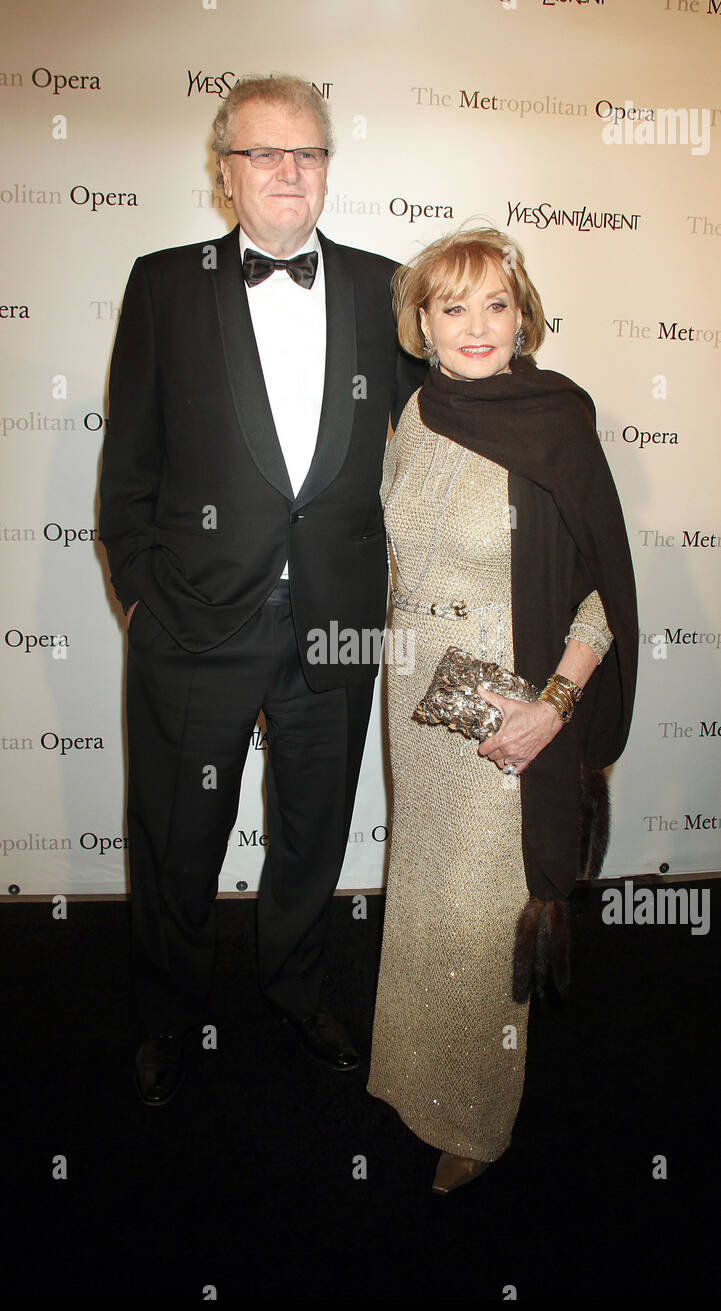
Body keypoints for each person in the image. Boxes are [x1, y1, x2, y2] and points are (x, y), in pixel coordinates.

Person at [98, 74, 424, 1106]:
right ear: (224, 169)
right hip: (194, 620)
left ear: (329, 166)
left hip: (338, 621)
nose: (289, 171)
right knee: (176, 836)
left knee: (313, 830)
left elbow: (448, 433)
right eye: (264, 153)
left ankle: (295, 994)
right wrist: (143, 598)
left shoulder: (387, 287)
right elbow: (130, 467)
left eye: (309, 153)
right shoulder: (162, 283)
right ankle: (164, 1010)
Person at [367, 227, 638, 1193]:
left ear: (522, 316)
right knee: (424, 900)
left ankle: (475, 1121)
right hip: (415, 697)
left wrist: (554, 707)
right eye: (453, 307)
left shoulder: (553, 421)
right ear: (422, 324)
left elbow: (602, 588)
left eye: (495, 305)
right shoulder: (412, 413)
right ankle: (410, 1074)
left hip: (507, 704)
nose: (475, 327)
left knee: (484, 919)